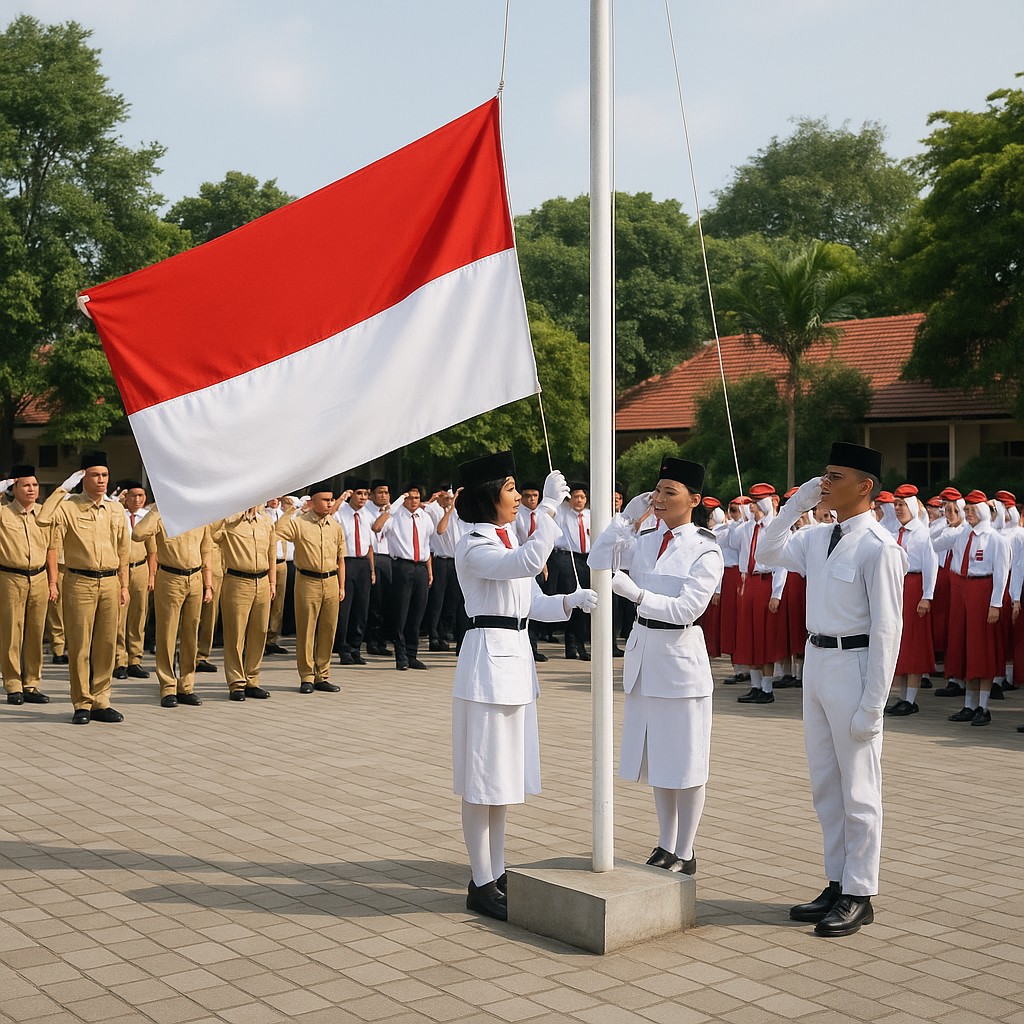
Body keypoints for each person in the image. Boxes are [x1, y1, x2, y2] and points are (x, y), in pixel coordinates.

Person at [757, 441, 906, 937]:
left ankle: (861, 892)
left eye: (835, 476)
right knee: (826, 785)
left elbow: (888, 630)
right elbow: (767, 552)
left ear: (865, 487)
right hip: (818, 662)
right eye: (824, 474)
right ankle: (838, 880)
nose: (825, 483)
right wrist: (794, 507)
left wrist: (874, 706)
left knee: (860, 788)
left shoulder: (879, 547)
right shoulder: (820, 537)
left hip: (855, 665)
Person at [452, 451, 596, 921]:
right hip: (486, 666)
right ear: (487, 496)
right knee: (481, 780)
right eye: (512, 489)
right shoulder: (474, 543)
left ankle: (497, 870)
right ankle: (480, 880)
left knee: (502, 777)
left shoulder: (507, 535)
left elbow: (530, 599)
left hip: (513, 662)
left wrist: (570, 601)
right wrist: (549, 511)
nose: (519, 498)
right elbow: (526, 563)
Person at [589, 458, 723, 877]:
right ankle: (666, 842)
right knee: (660, 759)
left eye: (670, 492)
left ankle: (687, 849)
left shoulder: (705, 547)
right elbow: (597, 559)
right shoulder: (646, 536)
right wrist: (628, 515)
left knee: (687, 758)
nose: (660, 499)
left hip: (680, 655)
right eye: (657, 490)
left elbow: (690, 606)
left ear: (694, 500)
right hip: (645, 653)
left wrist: (637, 594)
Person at [38, 453, 130, 725]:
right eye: (94, 475)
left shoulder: (115, 509)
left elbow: (123, 550)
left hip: (110, 582)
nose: (101, 480)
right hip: (79, 582)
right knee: (80, 646)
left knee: (105, 643)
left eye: (104, 475)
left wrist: (124, 585)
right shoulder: (69, 506)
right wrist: (63, 488)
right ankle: (82, 703)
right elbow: (43, 519)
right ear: (83, 477)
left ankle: (102, 701)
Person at [131, 505, 215, 707]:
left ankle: (186, 686)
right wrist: (157, 510)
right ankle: (168, 686)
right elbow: (138, 534)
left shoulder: (198, 514)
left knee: (190, 634)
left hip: (194, 578)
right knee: (167, 634)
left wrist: (208, 584)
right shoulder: (162, 514)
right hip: (170, 577)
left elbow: (206, 550)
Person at [274, 484, 347, 694]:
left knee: (328, 629)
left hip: (331, 581)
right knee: (307, 630)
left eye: (331, 499)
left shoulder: (335, 526)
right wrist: (294, 509)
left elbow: (341, 559)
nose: (329, 503)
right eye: (325, 500)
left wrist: (341, 586)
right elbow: (278, 531)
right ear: (312, 502)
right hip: (307, 581)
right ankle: (306, 676)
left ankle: (322, 674)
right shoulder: (300, 523)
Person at [212, 506, 277, 700]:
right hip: (237, 581)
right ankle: (236, 683)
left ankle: (252, 679)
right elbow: (211, 534)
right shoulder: (229, 521)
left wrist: (272, 582)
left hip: (263, 581)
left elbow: (271, 553)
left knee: (260, 632)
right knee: (236, 634)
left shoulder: (266, 521)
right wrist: (230, 517)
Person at [0, 467, 52, 705]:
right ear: (14, 489)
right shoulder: (4, 514)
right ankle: (12, 684)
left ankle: (31, 683)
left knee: (35, 632)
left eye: (35, 485)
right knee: (12, 632)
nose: (32, 489)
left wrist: (53, 582)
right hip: (11, 578)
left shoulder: (44, 514)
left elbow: (52, 549)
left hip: (39, 578)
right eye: (26, 485)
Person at [885, 485, 938, 717]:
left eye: (902, 504)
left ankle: (911, 698)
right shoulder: (892, 531)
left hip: (914, 586)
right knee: (899, 642)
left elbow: (930, 566)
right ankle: (902, 696)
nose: (898, 509)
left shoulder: (923, 533)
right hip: (896, 587)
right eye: (896, 504)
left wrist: (927, 595)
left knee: (914, 643)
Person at [378, 485, 434, 671]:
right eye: (409, 497)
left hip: (421, 568)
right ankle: (401, 655)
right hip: (402, 566)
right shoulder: (395, 515)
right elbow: (376, 527)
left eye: (417, 497)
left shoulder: (425, 518)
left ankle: (412, 654)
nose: (413, 501)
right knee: (401, 612)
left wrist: (429, 571)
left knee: (417, 613)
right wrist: (391, 508)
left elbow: (426, 546)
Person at [114, 481, 153, 681]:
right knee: (120, 617)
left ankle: (135, 660)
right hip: (121, 570)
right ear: (126, 497)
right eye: (133, 496)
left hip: (141, 568)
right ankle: (119, 660)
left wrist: (152, 575)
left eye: (141, 496)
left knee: (138, 616)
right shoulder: (117, 514)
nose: (137, 500)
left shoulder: (147, 518)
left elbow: (152, 549)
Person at [334, 479, 375, 665]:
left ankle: (356, 647)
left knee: (361, 608)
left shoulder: (366, 515)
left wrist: (372, 570)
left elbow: (370, 545)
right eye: (359, 494)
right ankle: (342, 649)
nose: (363, 498)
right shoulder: (341, 512)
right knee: (345, 609)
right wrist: (341, 499)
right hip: (346, 562)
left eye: (366, 494)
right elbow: (328, 515)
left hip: (363, 564)